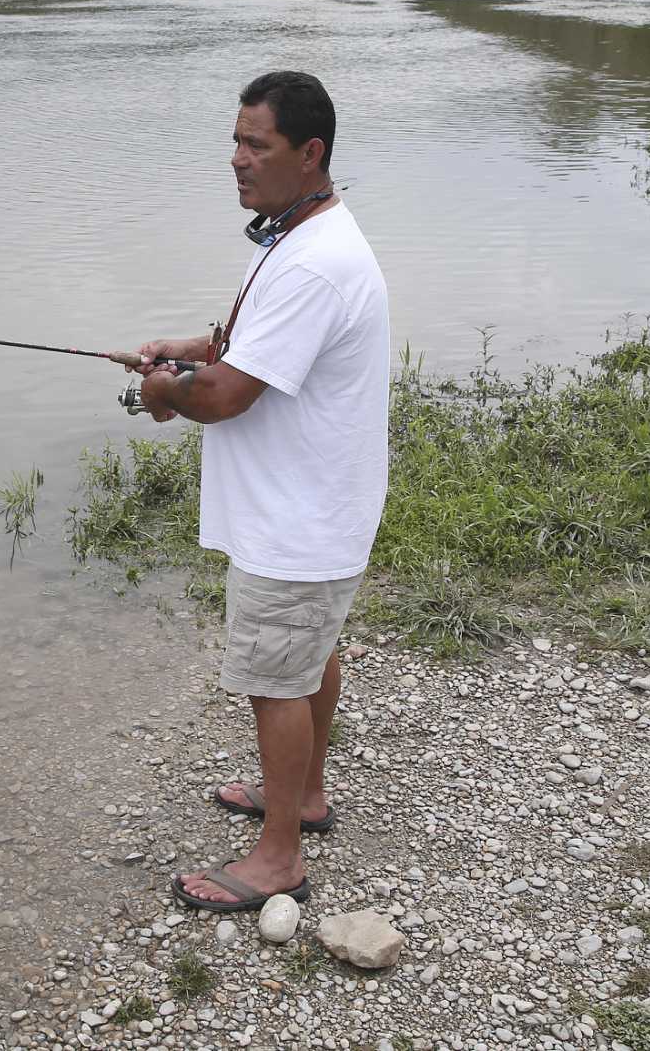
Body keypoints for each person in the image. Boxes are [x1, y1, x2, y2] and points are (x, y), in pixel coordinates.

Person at [127, 70, 391, 914]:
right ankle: (304, 797)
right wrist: (189, 343)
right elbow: (254, 340)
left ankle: (279, 858)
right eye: (235, 140)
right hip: (319, 508)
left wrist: (166, 390)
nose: (236, 160)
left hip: (299, 518)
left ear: (309, 154)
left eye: (256, 145)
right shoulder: (306, 234)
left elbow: (227, 394)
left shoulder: (314, 260)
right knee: (309, 655)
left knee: (277, 677)